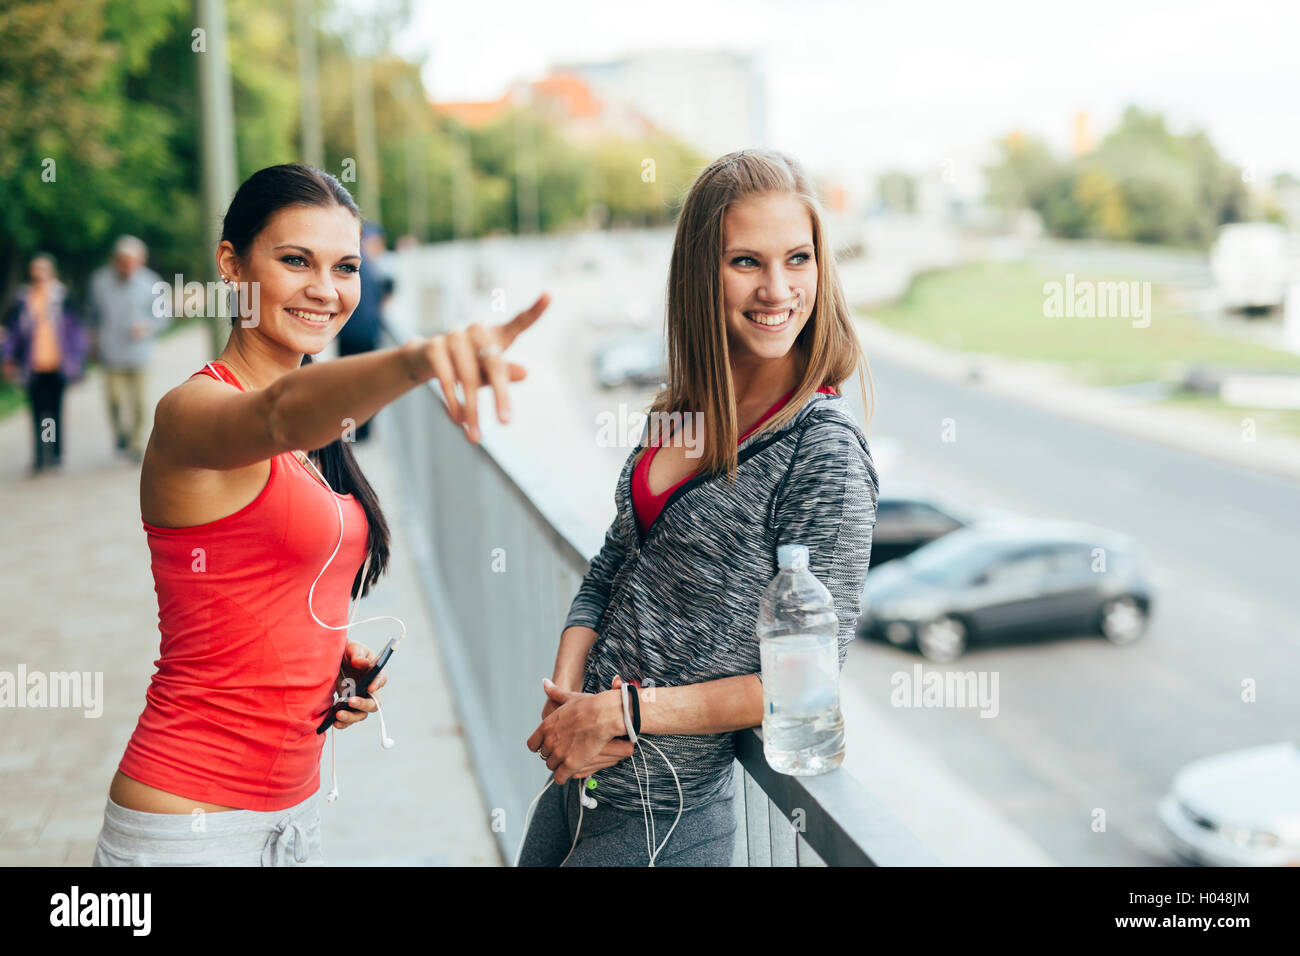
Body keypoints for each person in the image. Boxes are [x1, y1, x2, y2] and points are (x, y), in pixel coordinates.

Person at [93, 163, 549, 866]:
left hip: (291, 817)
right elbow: (276, 415)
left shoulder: (320, 436)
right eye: (295, 261)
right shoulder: (193, 412)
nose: (325, 290)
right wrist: (421, 360)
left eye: (346, 267)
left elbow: (259, 573)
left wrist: (318, 659)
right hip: (190, 825)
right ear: (232, 265)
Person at [519, 149, 879, 867]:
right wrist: (568, 699)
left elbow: (808, 681)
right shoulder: (681, 411)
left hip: (665, 820)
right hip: (579, 785)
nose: (778, 289)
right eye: (746, 262)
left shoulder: (823, 450)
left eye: (798, 259)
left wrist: (625, 712)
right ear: (699, 275)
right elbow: (615, 562)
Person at [2, 253, 89, 475]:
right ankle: (41, 455)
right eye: (35, 270)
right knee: (38, 411)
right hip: (33, 364)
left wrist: (78, 357)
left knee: (54, 411)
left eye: (43, 270)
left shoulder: (63, 297)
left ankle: (55, 453)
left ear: (52, 272)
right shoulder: (23, 298)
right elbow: (12, 332)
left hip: (57, 363)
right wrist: (8, 357)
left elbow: (75, 330)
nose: (39, 274)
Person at [87, 235, 171, 463]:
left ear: (141, 260)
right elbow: (92, 316)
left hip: (139, 353)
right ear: (115, 260)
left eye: (132, 260)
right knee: (114, 400)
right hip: (110, 352)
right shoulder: (99, 282)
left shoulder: (153, 282)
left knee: (141, 402)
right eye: (123, 260)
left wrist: (148, 327)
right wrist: (92, 342)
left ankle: (135, 443)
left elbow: (164, 317)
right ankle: (121, 434)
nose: (127, 265)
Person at [333, 222, 392, 442]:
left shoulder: (356, 265)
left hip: (349, 333)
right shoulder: (365, 265)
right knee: (365, 386)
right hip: (364, 334)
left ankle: (352, 433)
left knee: (350, 384)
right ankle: (359, 433)